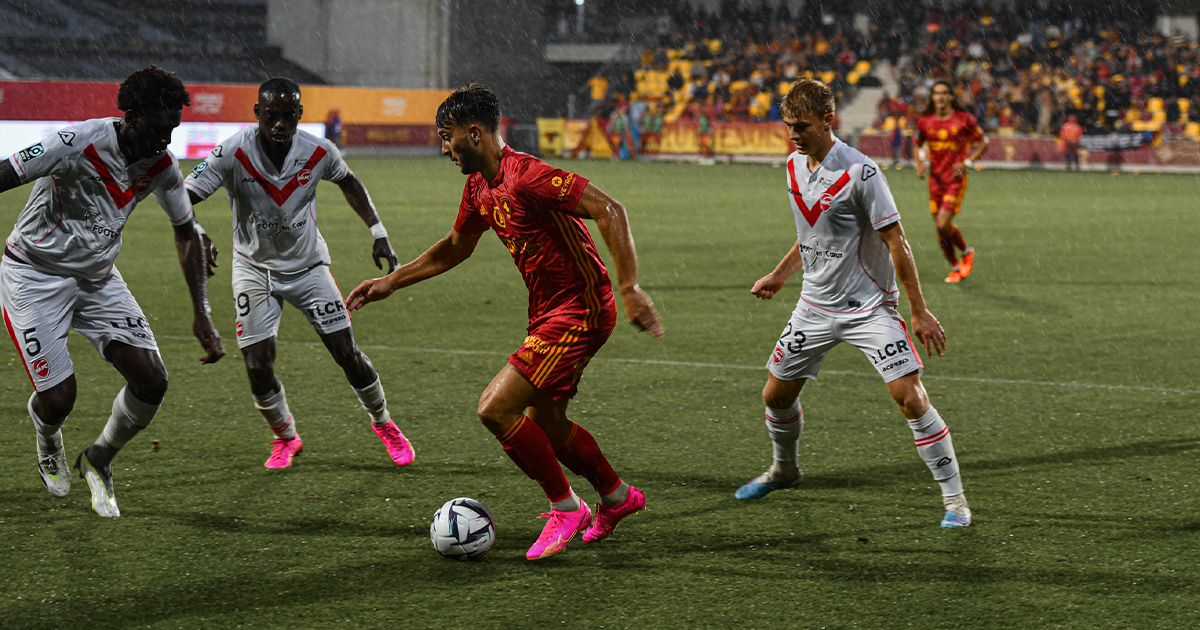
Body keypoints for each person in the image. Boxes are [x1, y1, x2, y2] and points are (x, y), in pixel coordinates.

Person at [347, 84, 663, 559]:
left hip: (581, 309)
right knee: (547, 423)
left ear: (474, 133)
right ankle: (617, 497)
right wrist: (392, 281)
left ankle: (566, 508)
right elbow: (456, 246)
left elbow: (609, 209)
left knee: (495, 409)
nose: (444, 148)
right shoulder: (478, 187)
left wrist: (631, 287)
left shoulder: (528, 177)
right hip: (549, 313)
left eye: (447, 136)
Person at [737, 79, 971, 529]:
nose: (793, 135)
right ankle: (785, 469)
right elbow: (813, 232)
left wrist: (919, 310)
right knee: (775, 395)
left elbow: (897, 241)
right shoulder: (793, 166)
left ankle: (956, 501)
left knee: (910, 399)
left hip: (869, 309)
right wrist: (780, 274)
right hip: (814, 307)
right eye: (789, 126)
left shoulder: (862, 172)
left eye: (802, 126)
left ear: (829, 121)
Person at [0, 65, 224, 517]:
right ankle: (48, 439)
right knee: (59, 400)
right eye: (158, 129)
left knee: (152, 380)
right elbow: (7, 172)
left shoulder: (161, 164)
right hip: (34, 275)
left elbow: (186, 230)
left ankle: (99, 458)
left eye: (173, 130)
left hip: (98, 279)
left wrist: (202, 311)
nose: (165, 141)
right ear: (132, 116)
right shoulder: (76, 142)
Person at [184, 77, 413, 470]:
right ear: (257, 113)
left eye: (288, 116)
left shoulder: (318, 151)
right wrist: (199, 233)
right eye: (271, 115)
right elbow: (183, 196)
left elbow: (349, 181)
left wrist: (379, 232)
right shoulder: (231, 152)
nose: (280, 124)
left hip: (308, 269)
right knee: (257, 366)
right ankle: (285, 437)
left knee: (347, 353)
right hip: (254, 269)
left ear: (300, 115)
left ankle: (384, 423)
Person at [914, 80, 989, 284]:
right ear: (932, 97)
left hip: (955, 179)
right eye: (937, 93)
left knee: (942, 223)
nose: (941, 97)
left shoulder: (964, 119)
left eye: (945, 93)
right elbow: (917, 144)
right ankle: (955, 267)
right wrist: (920, 164)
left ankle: (965, 251)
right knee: (941, 228)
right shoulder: (925, 122)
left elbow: (984, 142)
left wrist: (967, 162)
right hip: (935, 181)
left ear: (951, 97)